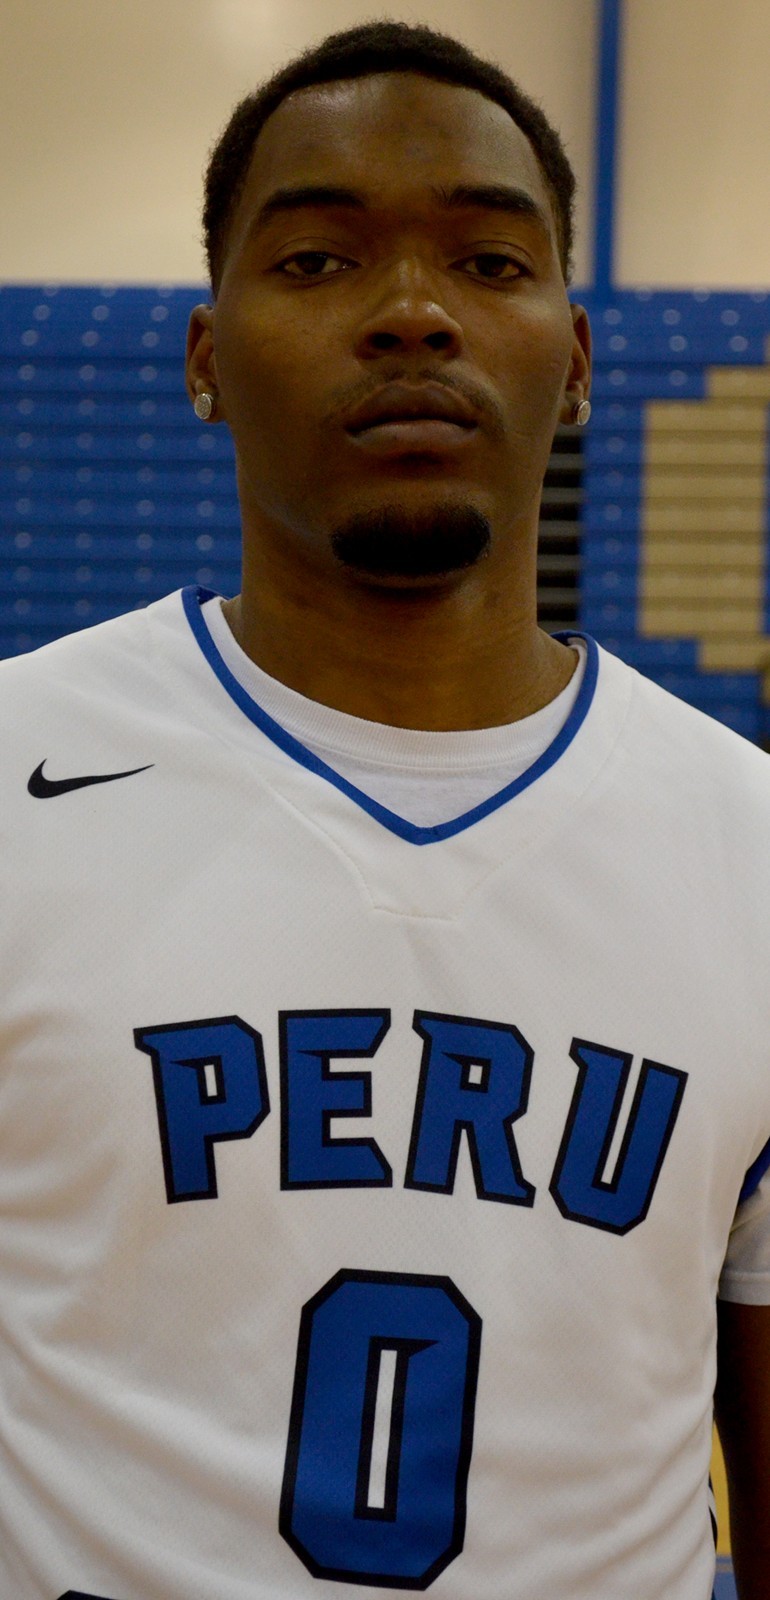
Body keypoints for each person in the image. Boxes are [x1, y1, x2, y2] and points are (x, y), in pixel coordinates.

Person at [1, 17, 768, 1600]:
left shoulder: (746, 849)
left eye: (489, 264)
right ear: (206, 360)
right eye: (318, 260)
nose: (412, 315)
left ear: (575, 360)